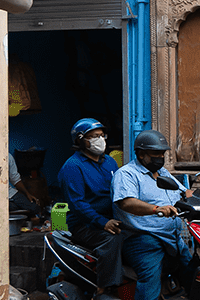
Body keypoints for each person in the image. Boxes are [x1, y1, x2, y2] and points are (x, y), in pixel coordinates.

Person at [113, 129, 198, 300]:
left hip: (172, 236)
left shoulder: (163, 173)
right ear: (141, 154)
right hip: (143, 239)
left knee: (192, 272)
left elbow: (184, 192)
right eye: (155, 154)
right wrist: (156, 209)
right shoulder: (127, 174)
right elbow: (126, 202)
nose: (160, 157)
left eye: (162, 153)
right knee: (150, 281)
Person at [57, 118, 125, 297]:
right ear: (80, 140)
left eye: (102, 135)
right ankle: (104, 287)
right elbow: (78, 204)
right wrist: (103, 223)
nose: (100, 140)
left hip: (110, 217)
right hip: (84, 225)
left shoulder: (110, 162)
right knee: (111, 239)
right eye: (94, 136)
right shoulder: (72, 167)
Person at [8, 152, 45, 222]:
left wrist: (28, 194)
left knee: (35, 207)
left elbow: (15, 179)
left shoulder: (8, 156)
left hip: (10, 193)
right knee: (5, 207)